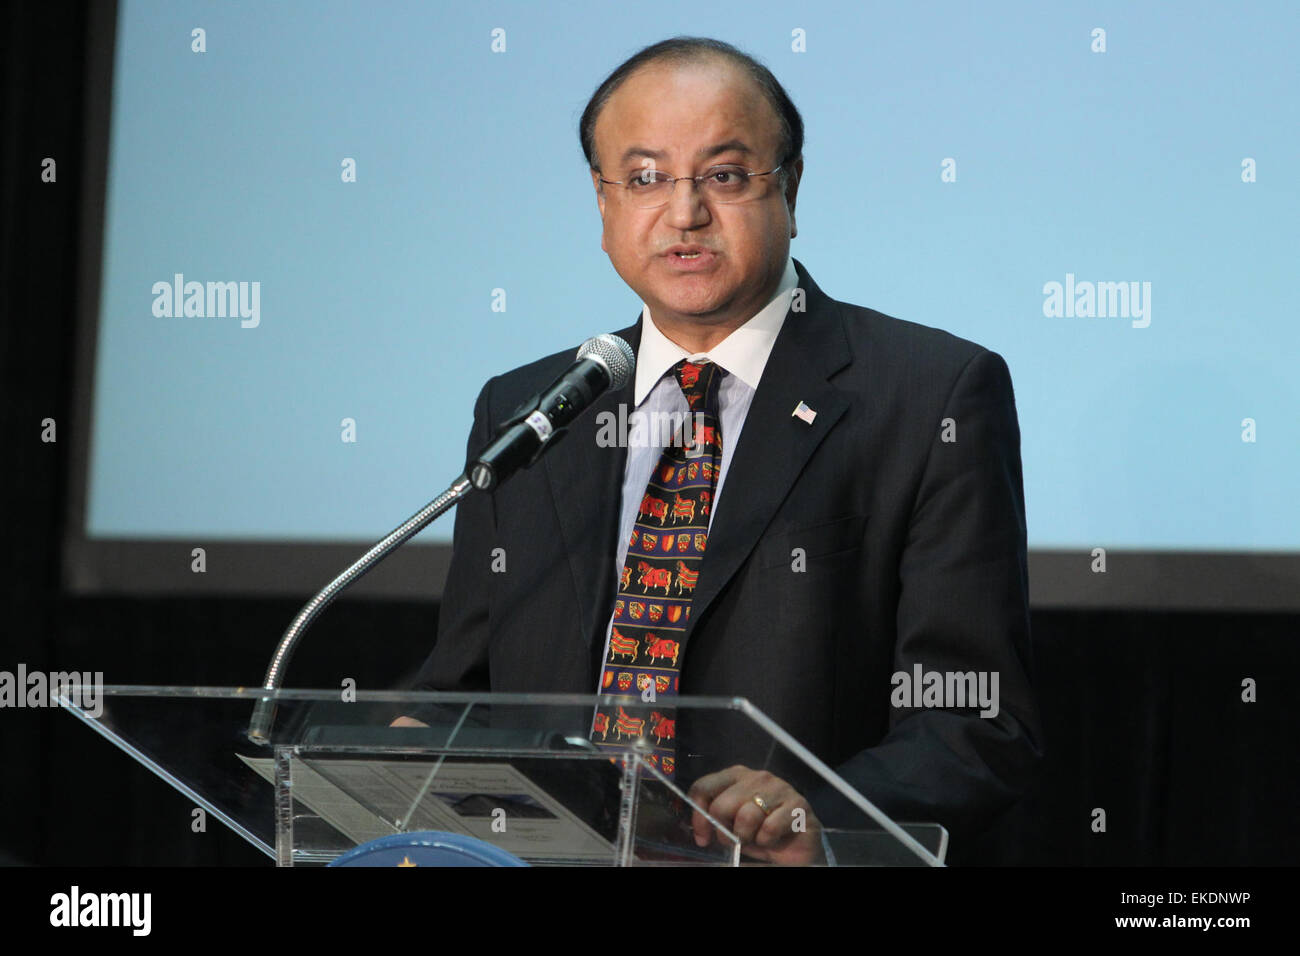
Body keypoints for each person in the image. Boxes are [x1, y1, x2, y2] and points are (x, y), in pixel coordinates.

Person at [407, 36, 1041, 865]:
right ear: (602, 204)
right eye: (643, 178)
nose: (684, 213)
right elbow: (464, 689)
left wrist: (821, 808)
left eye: (726, 175)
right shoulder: (533, 412)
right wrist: (393, 743)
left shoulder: (930, 396)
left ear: (791, 185)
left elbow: (976, 723)